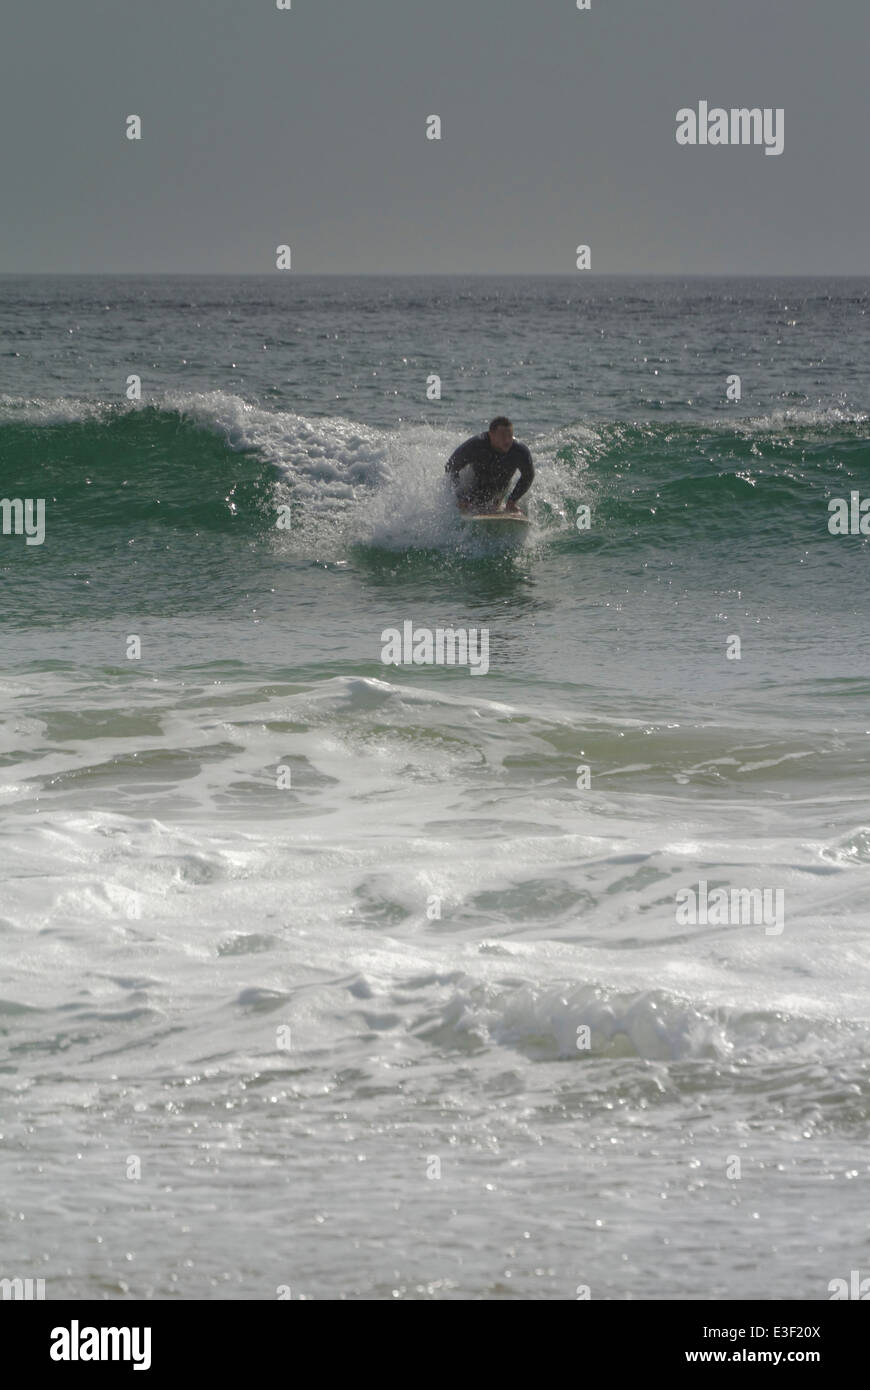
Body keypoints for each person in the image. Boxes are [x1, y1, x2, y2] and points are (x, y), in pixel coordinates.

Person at [445, 417, 534, 513]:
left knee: (496, 499)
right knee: (471, 498)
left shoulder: (519, 451)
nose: (507, 441)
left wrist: (512, 500)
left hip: (499, 489)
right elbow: (450, 467)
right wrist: (461, 496)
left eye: (510, 436)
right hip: (473, 486)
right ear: (491, 434)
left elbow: (528, 476)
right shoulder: (476, 445)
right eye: (503, 436)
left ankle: (500, 505)